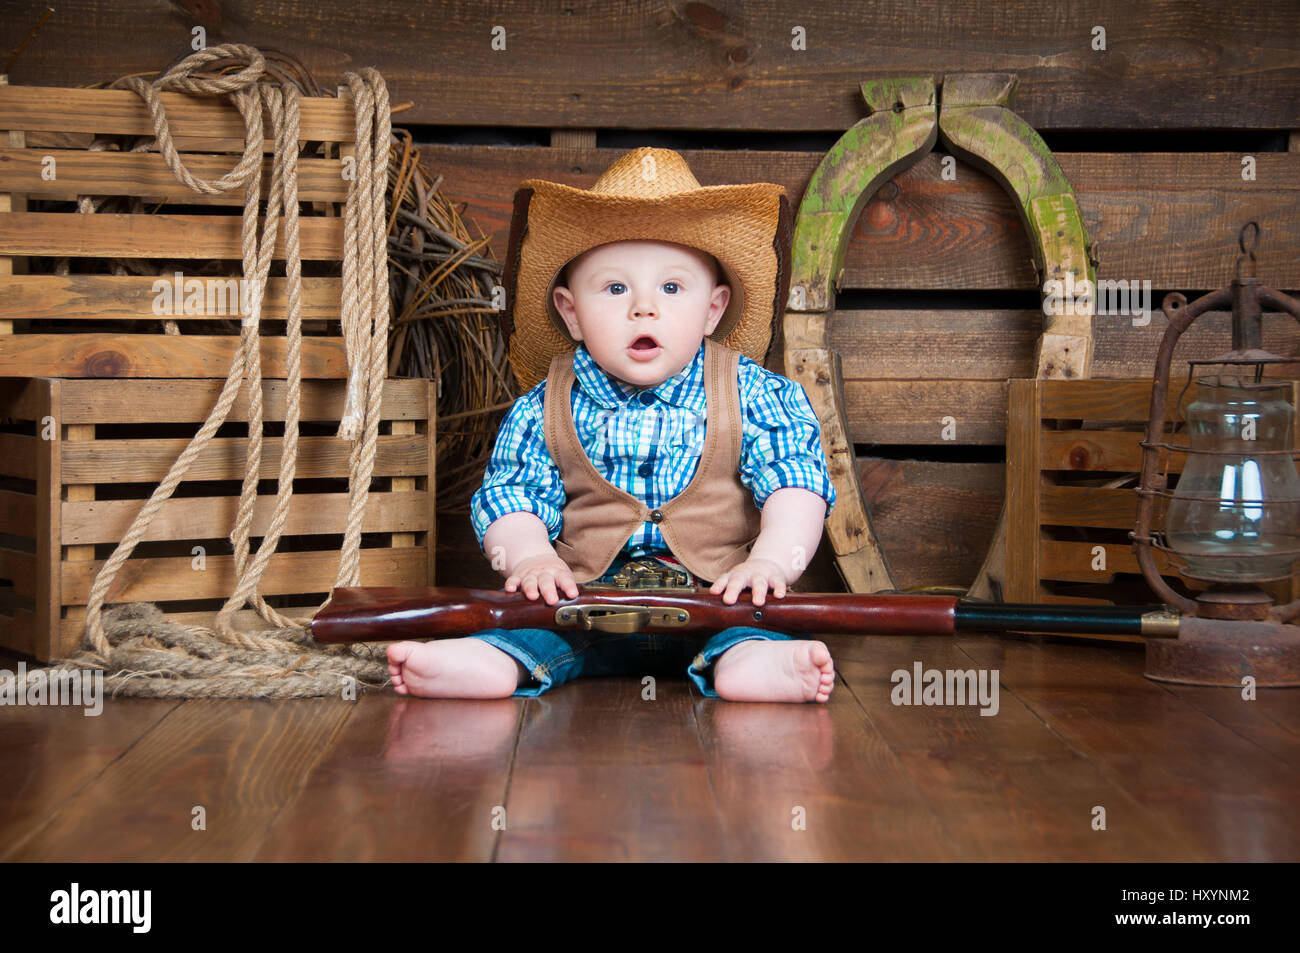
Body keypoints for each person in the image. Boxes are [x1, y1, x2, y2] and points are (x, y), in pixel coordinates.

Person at [387, 147, 837, 702]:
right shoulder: (544, 407)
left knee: (750, 629)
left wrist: (771, 559)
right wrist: (531, 556)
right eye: (616, 289)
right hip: (584, 605)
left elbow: (797, 482)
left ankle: (753, 663)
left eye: (672, 289)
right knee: (528, 631)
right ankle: (494, 662)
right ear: (572, 312)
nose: (643, 308)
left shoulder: (757, 395)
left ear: (714, 310)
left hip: (716, 598)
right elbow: (511, 496)